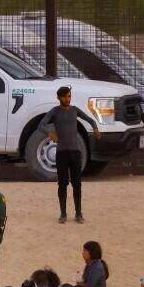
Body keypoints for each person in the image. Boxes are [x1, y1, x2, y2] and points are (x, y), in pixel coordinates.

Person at [40, 86, 101, 223]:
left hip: (75, 152)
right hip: (61, 152)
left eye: (69, 96)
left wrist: (96, 129)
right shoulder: (55, 112)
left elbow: (90, 120)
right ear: (59, 97)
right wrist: (50, 134)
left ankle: (78, 213)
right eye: (65, 96)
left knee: (77, 184)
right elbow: (41, 125)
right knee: (62, 184)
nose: (68, 99)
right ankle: (63, 214)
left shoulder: (75, 110)